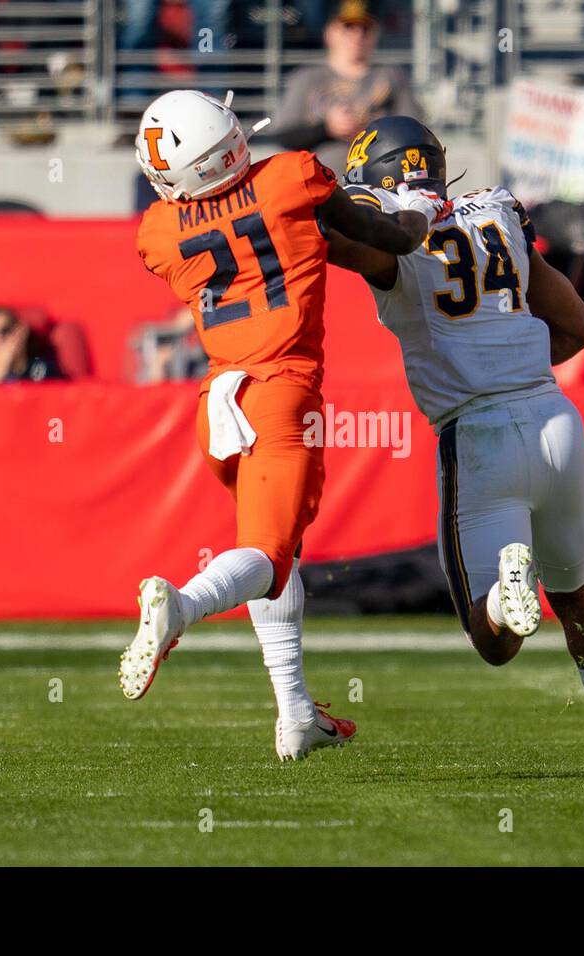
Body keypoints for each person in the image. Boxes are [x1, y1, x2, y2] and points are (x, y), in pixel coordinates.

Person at [125, 89, 452, 760]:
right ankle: (180, 608)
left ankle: (295, 711)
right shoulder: (290, 174)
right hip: (281, 393)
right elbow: (390, 237)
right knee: (269, 559)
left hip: (218, 405)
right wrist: (419, 206)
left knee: (280, 552)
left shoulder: (155, 233)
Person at [325, 116, 584, 775]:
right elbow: (577, 325)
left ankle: (509, 591)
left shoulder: (388, 226)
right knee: (580, 595)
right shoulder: (497, 210)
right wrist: (509, 360)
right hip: (553, 418)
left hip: (475, 435)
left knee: (494, 639)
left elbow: (332, 237)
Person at [273, 0, 418, 177]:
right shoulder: (307, 78)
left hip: (380, 184)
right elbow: (284, 136)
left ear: (376, 33)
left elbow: (413, 135)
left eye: (365, 28)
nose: (357, 35)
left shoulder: (392, 76)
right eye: (349, 26)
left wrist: (368, 133)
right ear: (330, 31)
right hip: (320, 183)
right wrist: (327, 128)